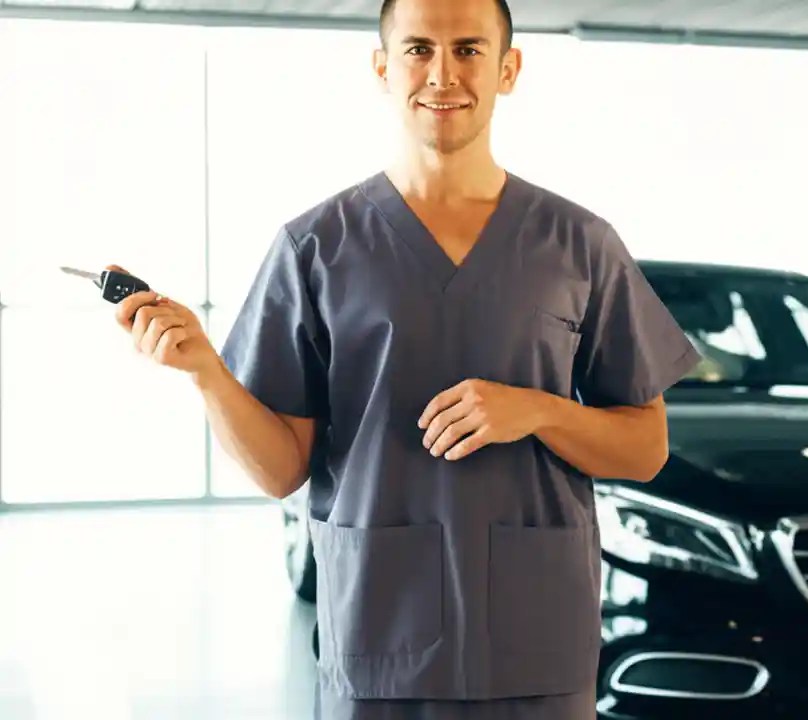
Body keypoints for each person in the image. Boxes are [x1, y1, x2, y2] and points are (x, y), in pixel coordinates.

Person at [109, 0, 701, 716]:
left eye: (470, 49)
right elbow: (280, 469)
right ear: (383, 69)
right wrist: (206, 371)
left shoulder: (579, 244)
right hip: (380, 634)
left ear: (509, 68)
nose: (443, 72)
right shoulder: (316, 247)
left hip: (535, 636)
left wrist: (536, 410)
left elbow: (644, 449)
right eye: (418, 49)